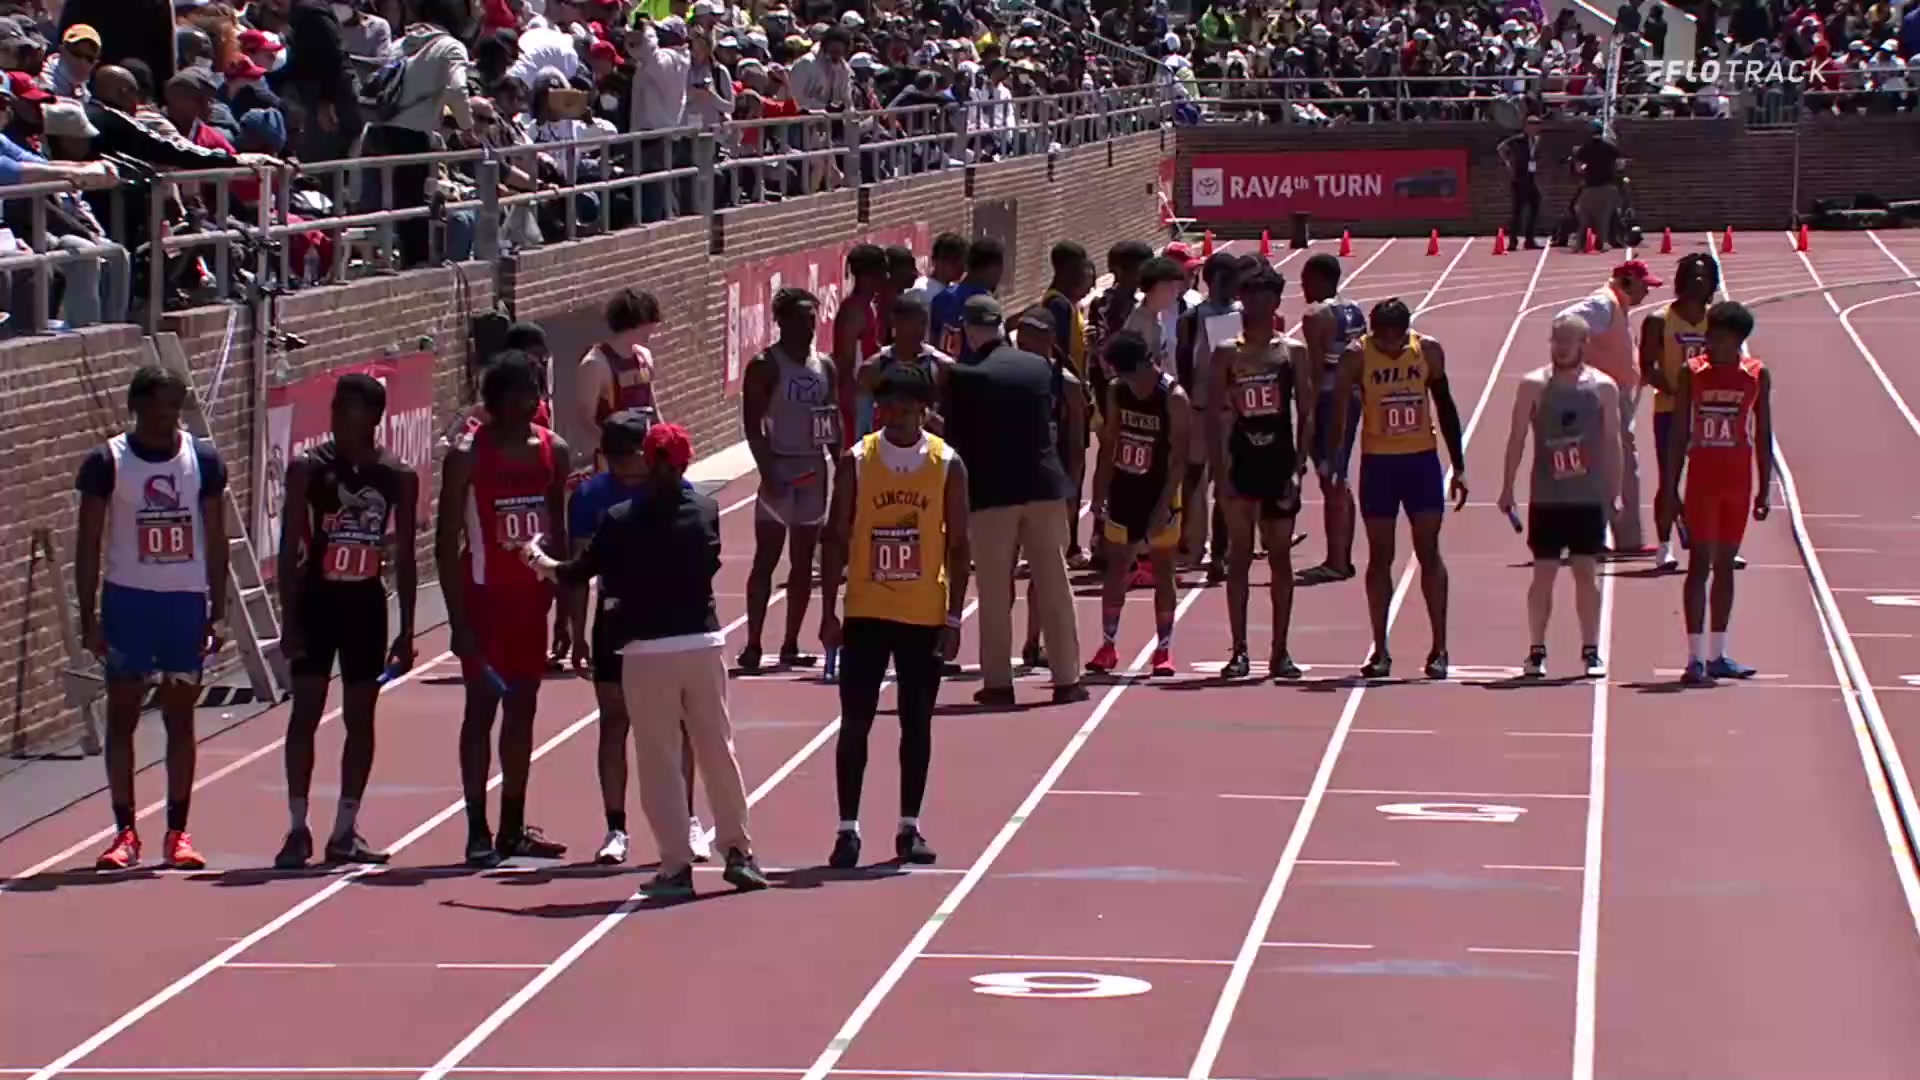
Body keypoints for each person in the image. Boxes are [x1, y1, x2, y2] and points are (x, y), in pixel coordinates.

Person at [522, 424, 770, 896]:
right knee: (718, 751)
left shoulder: (618, 518)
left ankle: (676, 867)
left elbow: (576, 572)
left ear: (648, 460)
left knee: (657, 760)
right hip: (701, 642)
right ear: (682, 463)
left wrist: (538, 561)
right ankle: (739, 852)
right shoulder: (707, 509)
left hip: (645, 650)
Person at [74, 367, 230, 871]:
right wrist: (89, 618)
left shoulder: (202, 460)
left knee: (180, 716)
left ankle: (178, 831)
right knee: (123, 714)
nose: (170, 415)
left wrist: (219, 609)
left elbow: (216, 536)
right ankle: (124, 832)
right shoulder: (107, 462)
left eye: (177, 404)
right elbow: (88, 543)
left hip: (183, 603)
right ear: (137, 405)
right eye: (162, 404)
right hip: (128, 601)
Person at [818, 364, 969, 870]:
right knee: (855, 721)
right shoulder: (858, 461)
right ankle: (847, 829)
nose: (902, 418)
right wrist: (828, 610)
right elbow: (836, 535)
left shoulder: (947, 463)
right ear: (880, 409)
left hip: (922, 612)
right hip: (866, 608)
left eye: (911, 409)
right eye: (893, 409)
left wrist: (953, 618)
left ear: (925, 410)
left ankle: (909, 826)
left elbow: (960, 543)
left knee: (916, 723)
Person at [272, 374, 419, 869]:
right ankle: (296, 829)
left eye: (348, 410)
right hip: (317, 600)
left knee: (361, 716)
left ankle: (344, 829)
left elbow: (403, 557)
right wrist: (287, 621)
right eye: (334, 408)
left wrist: (407, 629)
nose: (335, 417)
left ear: (374, 418)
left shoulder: (397, 474)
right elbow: (289, 546)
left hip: (365, 606)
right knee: (306, 712)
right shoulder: (308, 469)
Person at [436, 352, 573, 867]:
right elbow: (446, 543)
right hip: (485, 599)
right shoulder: (467, 456)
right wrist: (457, 622)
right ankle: (477, 827)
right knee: (481, 711)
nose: (534, 399)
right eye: (524, 391)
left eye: (537, 390)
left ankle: (512, 827)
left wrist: (563, 607)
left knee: (523, 711)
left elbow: (558, 533)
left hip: (531, 603)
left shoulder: (553, 451)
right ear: (499, 400)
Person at [565, 411, 708, 866]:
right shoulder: (590, 498)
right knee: (614, 721)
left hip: (667, 622)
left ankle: (687, 821)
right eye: (630, 456)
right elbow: (577, 569)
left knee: (681, 722)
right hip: (615, 621)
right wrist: (575, 633)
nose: (642, 463)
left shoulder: (674, 489)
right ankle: (615, 828)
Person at [943, 294, 1087, 706]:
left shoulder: (964, 375)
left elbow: (955, 442)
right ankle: (1067, 679)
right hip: (1043, 487)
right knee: (1054, 583)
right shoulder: (1040, 366)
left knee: (993, 589)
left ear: (969, 330)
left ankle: (999, 683)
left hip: (992, 493)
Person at [1330, 299, 1469, 680]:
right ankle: (1381, 648)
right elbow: (1341, 414)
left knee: (1429, 550)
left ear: (1406, 330)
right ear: (1372, 331)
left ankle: (1439, 647)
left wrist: (1459, 467)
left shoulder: (1428, 350)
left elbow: (1445, 406)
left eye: (1396, 338)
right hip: (1379, 465)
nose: (1390, 346)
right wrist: (1337, 467)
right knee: (1380, 555)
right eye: (1383, 338)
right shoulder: (1356, 357)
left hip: (1421, 461)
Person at [1498, 314, 1621, 680]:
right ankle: (1536, 651)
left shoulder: (1604, 388)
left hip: (1586, 496)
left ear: (1584, 345)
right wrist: (1507, 487)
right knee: (1544, 572)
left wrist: (1614, 493)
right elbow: (1517, 437)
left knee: (1586, 572)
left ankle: (1591, 650)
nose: (1561, 347)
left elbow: (1612, 443)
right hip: (1548, 496)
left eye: (1568, 341)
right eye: (1556, 340)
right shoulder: (1533, 385)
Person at [1206, 264, 1314, 680]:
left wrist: (1299, 469)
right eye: (1249, 297)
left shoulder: (1292, 352)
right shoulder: (1226, 353)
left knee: (1280, 558)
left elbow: (1305, 414)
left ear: (1275, 301)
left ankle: (1281, 652)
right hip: (1240, 461)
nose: (1257, 305)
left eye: (1265, 297)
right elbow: (1215, 415)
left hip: (1279, 463)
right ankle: (1239, 651)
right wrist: (1220, 471)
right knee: (1238, 558)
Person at [1660, 301, 1772, 685]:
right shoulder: (1693, 372)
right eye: (1708, 336)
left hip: (1737, 483)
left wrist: (1765, 488)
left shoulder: (1756, 375)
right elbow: (1678, 432)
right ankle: (1693, 658)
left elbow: (1764, 433)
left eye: (1718, 339)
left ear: (1738, 341)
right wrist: (1669, 485)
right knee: (1699, 566)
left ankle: (1718, 654)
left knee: (1726, 566)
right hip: (1702, 483)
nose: (1709, 344)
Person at [739, 287, 836, 672]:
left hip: (813, 469)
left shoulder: (823, 365)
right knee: (766, 558)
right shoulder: (765, 365)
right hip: (780, 466)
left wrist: (840, 464)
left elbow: (830, 420)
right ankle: (752, 643)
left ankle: (791, 644)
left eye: (812, 318)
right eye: (800, 318)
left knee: (802, 563)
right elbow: (752, 426)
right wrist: (768, 471)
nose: (809, 326)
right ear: (780, 321)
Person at [1088, 329, 1189, 678]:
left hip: (1160, 491)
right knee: (1117, 569)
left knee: (1163, 570)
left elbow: (1179, 458)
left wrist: (1164, 505)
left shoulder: (1173, 397)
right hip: (1124, 490)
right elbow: (1110, 442)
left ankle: (1163, 650)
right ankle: (1107, 645)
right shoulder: (1117, 391)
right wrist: (1098, 495)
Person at [1559, 260, 1659, 555]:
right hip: (1598, 399)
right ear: (1627, 281)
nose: (1647, 293)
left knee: (1621, 467)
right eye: (1644, 285)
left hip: (1613, 397)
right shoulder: (1603, 303)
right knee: (1602, 467)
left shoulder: (1616, 306)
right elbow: (1564, 321)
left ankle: (1624, 538)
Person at [1640, 253, 1717, 572]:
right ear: (1681, 280)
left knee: (1712, 483)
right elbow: (1647, 367)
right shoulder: (1659, 320)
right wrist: (1676, 391)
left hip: (1709, 413)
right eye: (1693, 275)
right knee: (1669, 480)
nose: (1698, 281)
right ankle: (1665, 546)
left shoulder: (1718, 318)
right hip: (1671, 410)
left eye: (1705, 276)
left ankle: (1716, 544)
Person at [1297, 253, 1369, 585]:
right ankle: (1342, 557)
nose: (1303, 288)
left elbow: (1312, 371)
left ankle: (1335, 560)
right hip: (1353, 396)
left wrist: (1304, 413)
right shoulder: (1355, 310)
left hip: (1327, 402)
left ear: (1319, 279)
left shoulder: (1315, 315)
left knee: (1330, 479)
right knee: (1340, 477)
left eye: (1305, 281)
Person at [1176, 250, 1241, 582]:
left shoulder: (1242, 313)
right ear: (1216, 280)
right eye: (1231, 280)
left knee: (1228, 482)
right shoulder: (1192, 316)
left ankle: (1222, 548)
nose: (1236, 287)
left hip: (1233, 411)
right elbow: (1184, 359)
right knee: (1194, 476)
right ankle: (1193, 542)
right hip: (1200, 408)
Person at [572, 289, 664, 450]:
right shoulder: (595, 364)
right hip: (614, 461)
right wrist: (616, 452)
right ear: (639, 322)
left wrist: (665, 441)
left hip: (644, 455)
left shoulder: (644, 357)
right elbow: (585, 420)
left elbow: (652, 409)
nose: (655, 327)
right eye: (652, 322)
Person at [857, 292, 952, 435]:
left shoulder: (942, 367)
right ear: (895, 322)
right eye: (912, 322)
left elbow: (954, 430)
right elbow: (863, 429)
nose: (919, 329)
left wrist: (925, 417)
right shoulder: (872, 370)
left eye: (923, 322)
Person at [836, 244, 888, 443]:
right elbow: (846, 363)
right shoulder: (854, 311)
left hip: (868, 394)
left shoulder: (869, 306)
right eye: (883, 272)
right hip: (858, 399)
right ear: (870, 274)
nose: (886, 277)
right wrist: (851, 407)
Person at [930, 237, 1005, 362]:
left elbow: (933, 341)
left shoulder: (941, 297)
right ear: (993, 268)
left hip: (944, 372)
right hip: (972, 375)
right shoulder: (987, 306)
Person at [1497, 113, 1546, 250]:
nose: (1536, 128)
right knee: (1518, 210)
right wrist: (1508, 163)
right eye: (1533, 125)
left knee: (1535, 204)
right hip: (1520, 177)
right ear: (1526, 126)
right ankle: (1513, 241)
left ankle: (1529, 239)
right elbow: (1501, 147)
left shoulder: (1536, 140)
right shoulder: (1518, 140)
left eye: (1538, 125)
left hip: (1530, 177)